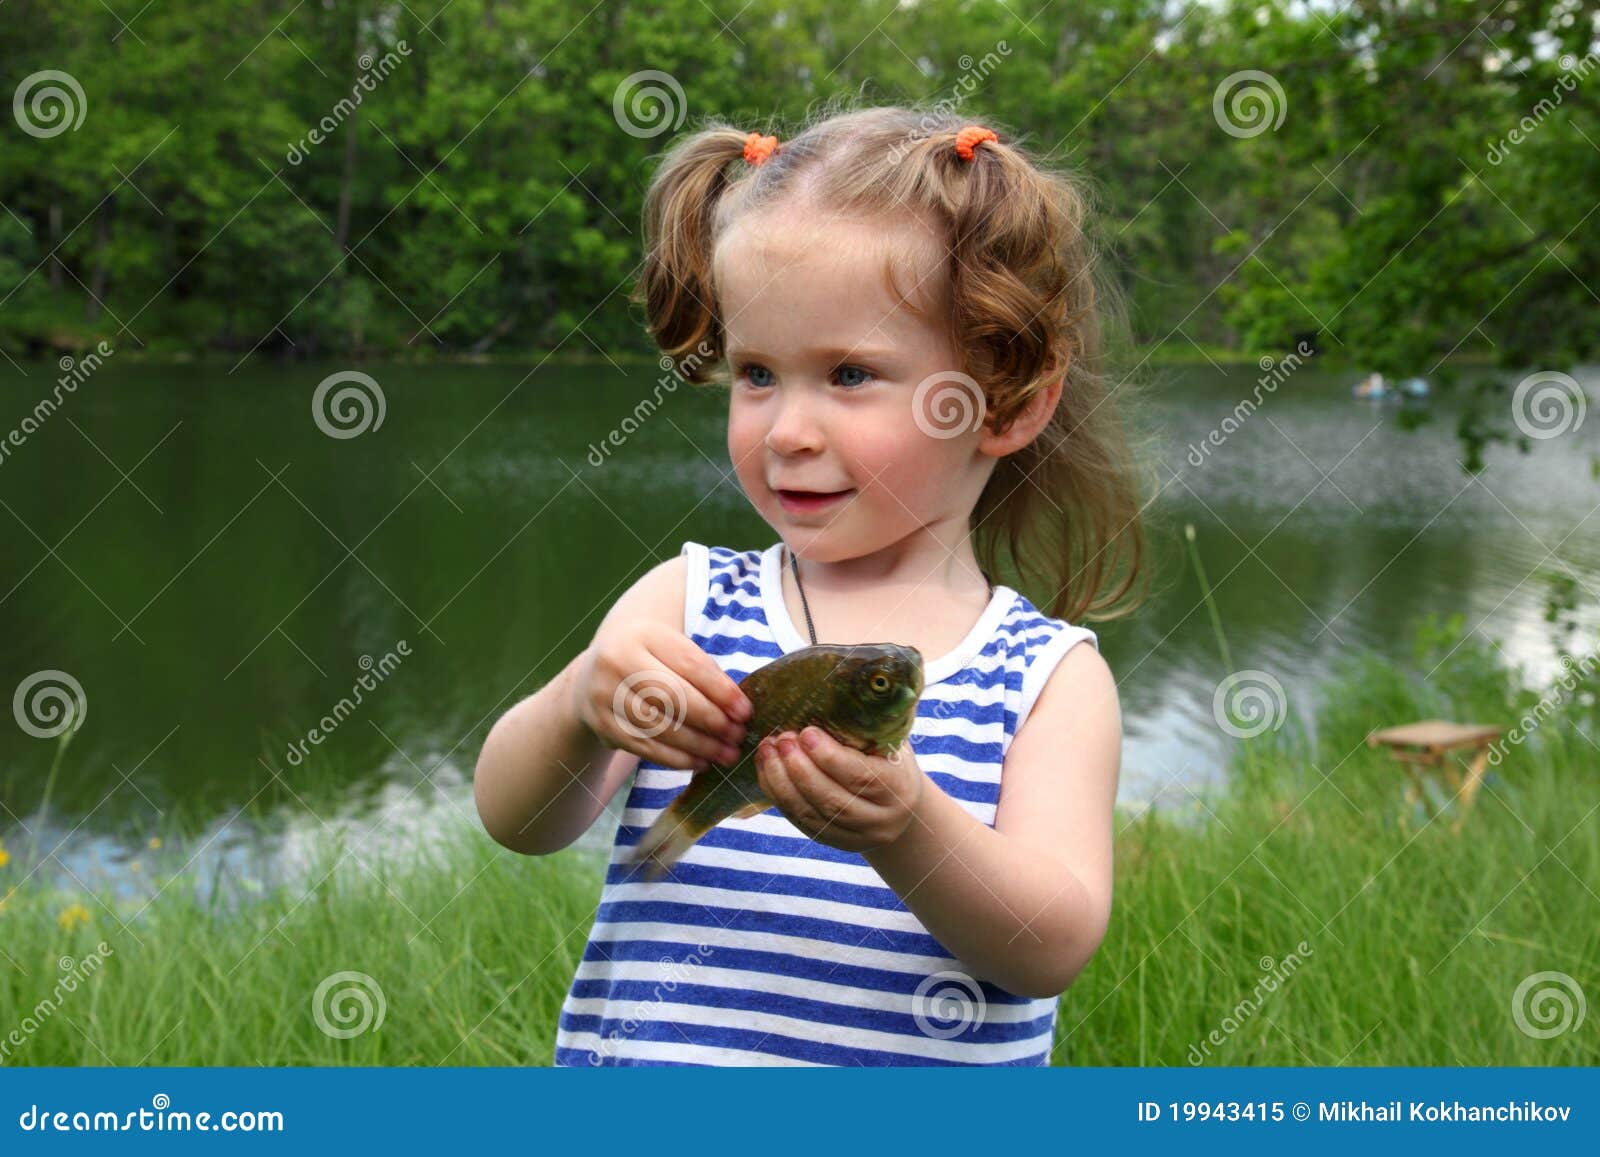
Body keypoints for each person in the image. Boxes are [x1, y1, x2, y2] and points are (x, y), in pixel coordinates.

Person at [473, 102, 1150, 1066]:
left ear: (1004, 402)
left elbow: (1050, 946)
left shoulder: (1047, 679)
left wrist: (907, 826)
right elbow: (518, 821)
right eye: (756, 373)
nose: (787, 428)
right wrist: (580, 704)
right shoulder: (685, 601)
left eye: (849, 374)